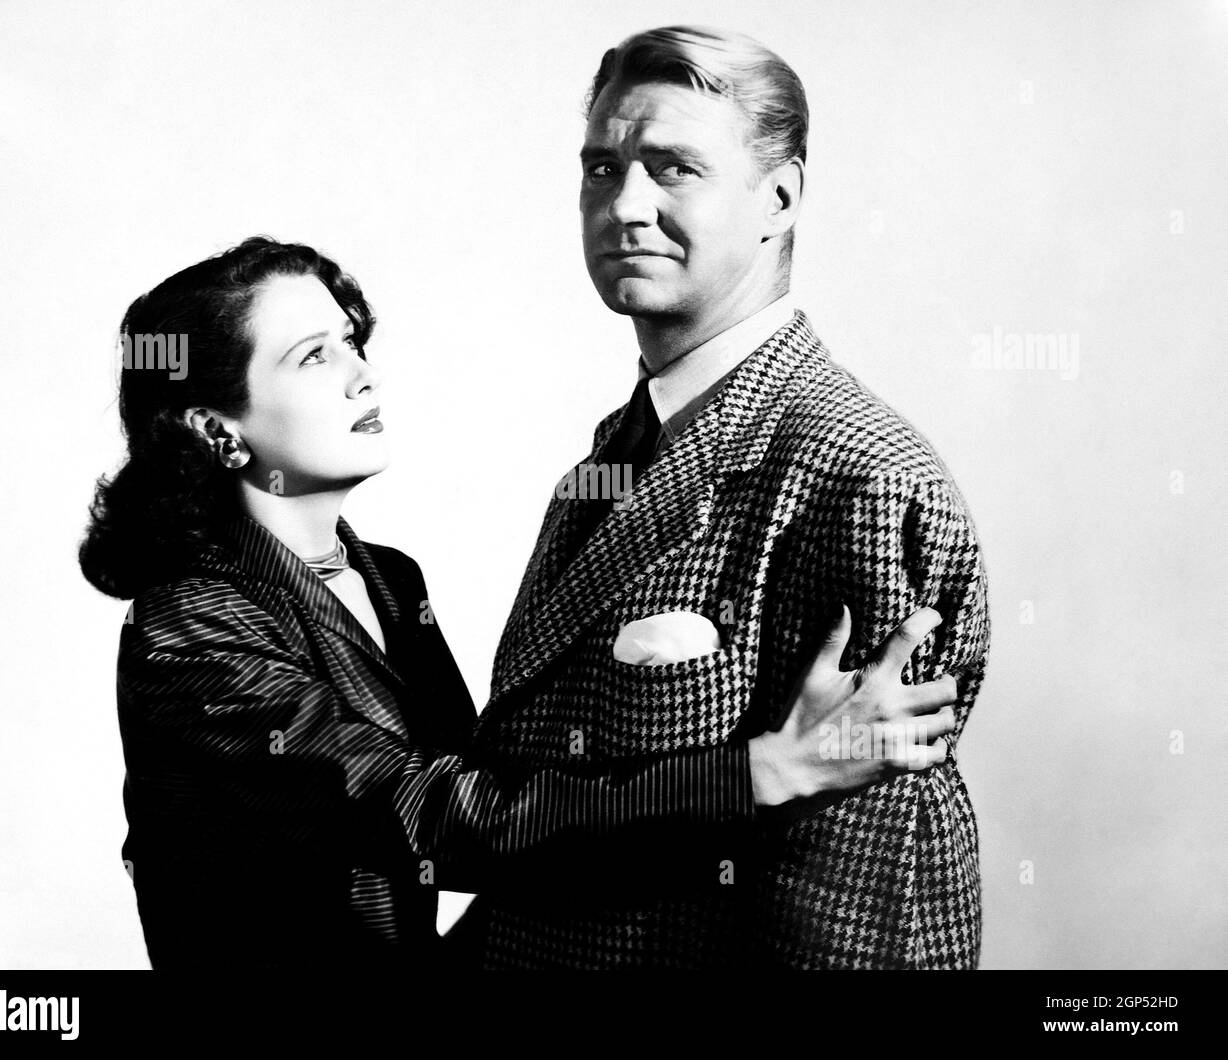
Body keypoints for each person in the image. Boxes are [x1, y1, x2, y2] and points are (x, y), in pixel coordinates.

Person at [80, 236, 957, 969]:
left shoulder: (388, 575)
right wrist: (767, 770)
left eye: (353, 341)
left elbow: (495, 780)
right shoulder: (188, 629)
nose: (360, 375)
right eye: (313, 357)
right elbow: (439, 818)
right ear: (214, 429)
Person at [468, 25, 991, 969]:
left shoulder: (862, 477)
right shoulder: (615, 451)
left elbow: (860, 907)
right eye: (601, 168)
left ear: (778, 199)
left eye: (674, 169)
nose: (624, 204)